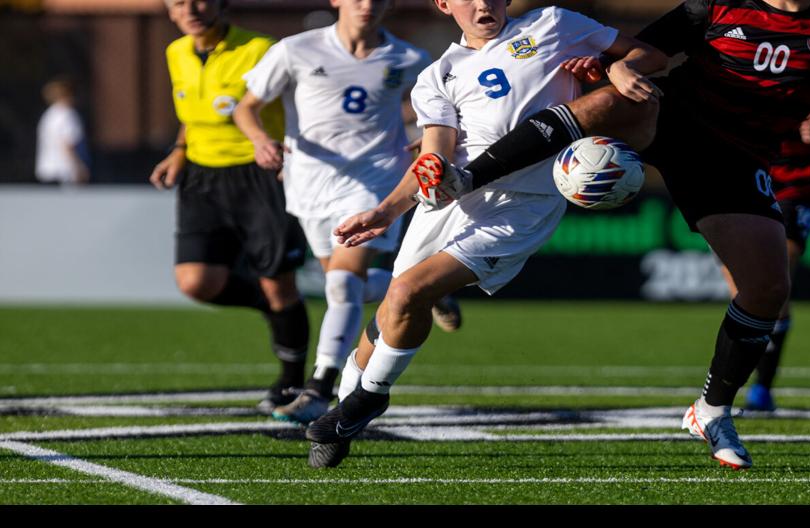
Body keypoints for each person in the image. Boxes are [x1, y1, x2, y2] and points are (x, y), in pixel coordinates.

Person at [404, 0, 810, 469]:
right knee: (612, 101)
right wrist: (622, 71)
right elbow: (648, 50)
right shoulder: (718, 5)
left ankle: (712, 411)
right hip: (669, 119)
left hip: (731, 159)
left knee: (766, 287)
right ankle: (467, 177)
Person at [306, 0, 668, 468]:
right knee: (389, 314)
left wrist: (618, 67)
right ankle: (346, 411)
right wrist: (386, 211)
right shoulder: (438, 76)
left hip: (520, 206)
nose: (483, 4)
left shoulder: (553, 24)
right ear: (443, 4)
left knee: (408, 290)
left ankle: (369, 399)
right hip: (451, 200)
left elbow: (650, 56)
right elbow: (435, 156)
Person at [232, 0, 454, 425]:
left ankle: (319, 388)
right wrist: (261, 140)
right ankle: (428, 288)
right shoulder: (295, 49)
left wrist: (426, 136)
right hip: (309, 184)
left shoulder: (410, 58)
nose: (366, 5)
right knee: (339, 278)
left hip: (374, 182)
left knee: (340, 285)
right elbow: (247, 107)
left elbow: (436, 108)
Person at [150, 0, 312, 415]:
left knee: (281, 284)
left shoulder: (261, 49)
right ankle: (271, 307)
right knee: (195, 282)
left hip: (259, 175)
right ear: (169, 11)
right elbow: (193, 111)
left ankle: (292, 382)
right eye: (179, 3)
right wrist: (179, 150)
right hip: (201, 179)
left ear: (221, 5)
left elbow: (303, 102)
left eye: (200, 0)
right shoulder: (176, 52)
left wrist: (290, 152)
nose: (191, 9)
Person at [728, 83, 810, 413]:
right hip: (737, 180)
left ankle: (762, 389)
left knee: (775, 278)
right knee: (744, 290)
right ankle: (738, 381)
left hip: (795, 185)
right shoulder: (727, 57)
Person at [36, 79, 89, 186]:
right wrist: (79, 167)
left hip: (47, 171)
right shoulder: (67, 115)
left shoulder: (49, 115)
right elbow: (67, 145)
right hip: (64, 172)